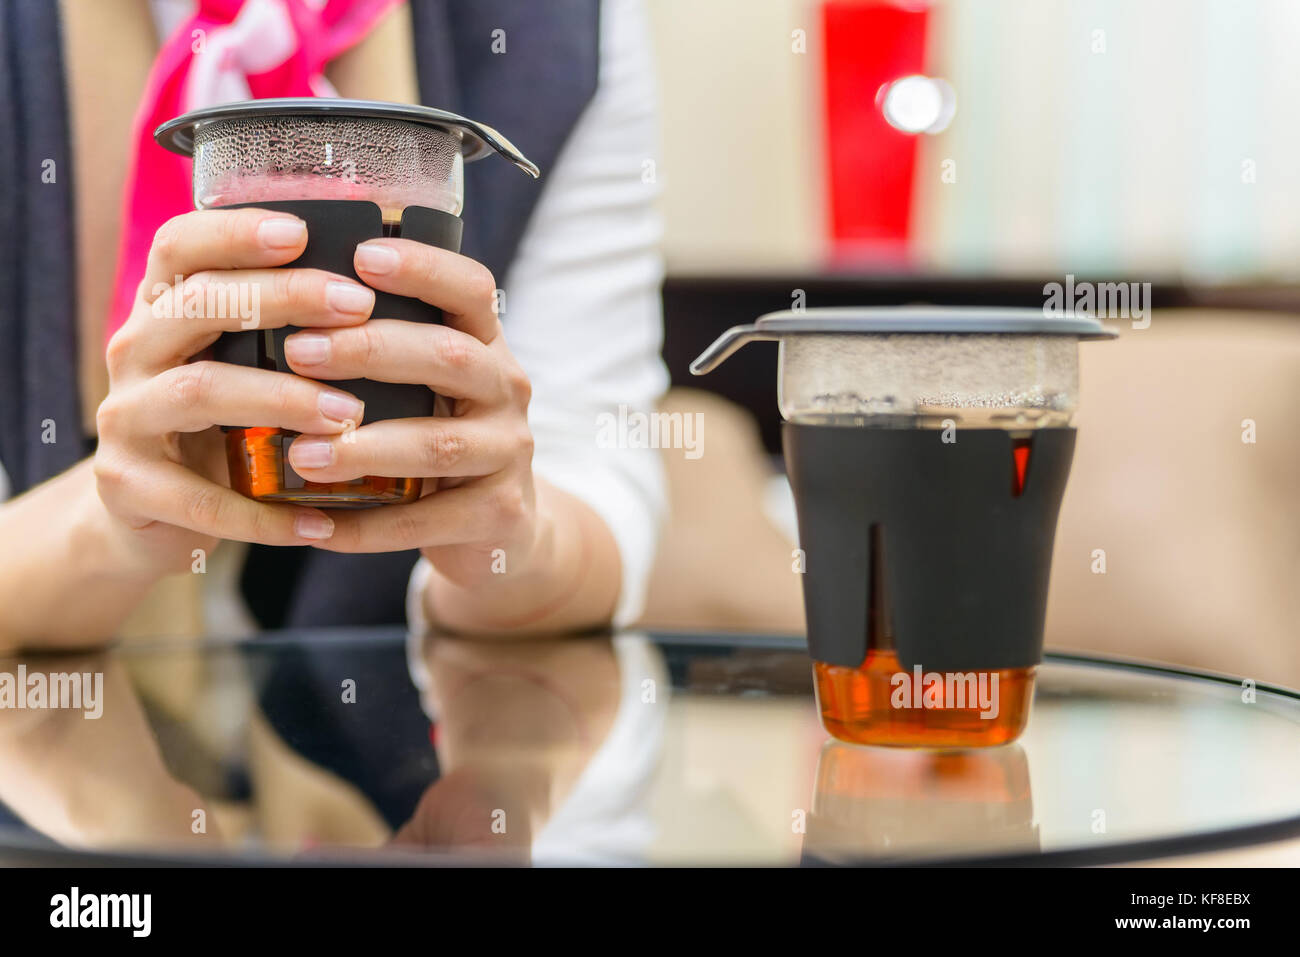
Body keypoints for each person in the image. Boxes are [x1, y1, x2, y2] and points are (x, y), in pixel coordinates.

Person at [0, 0, 667, 648]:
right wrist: (104, 532)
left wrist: (510, 543)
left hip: (400, 736)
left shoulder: (564, 26)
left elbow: (598, 477)